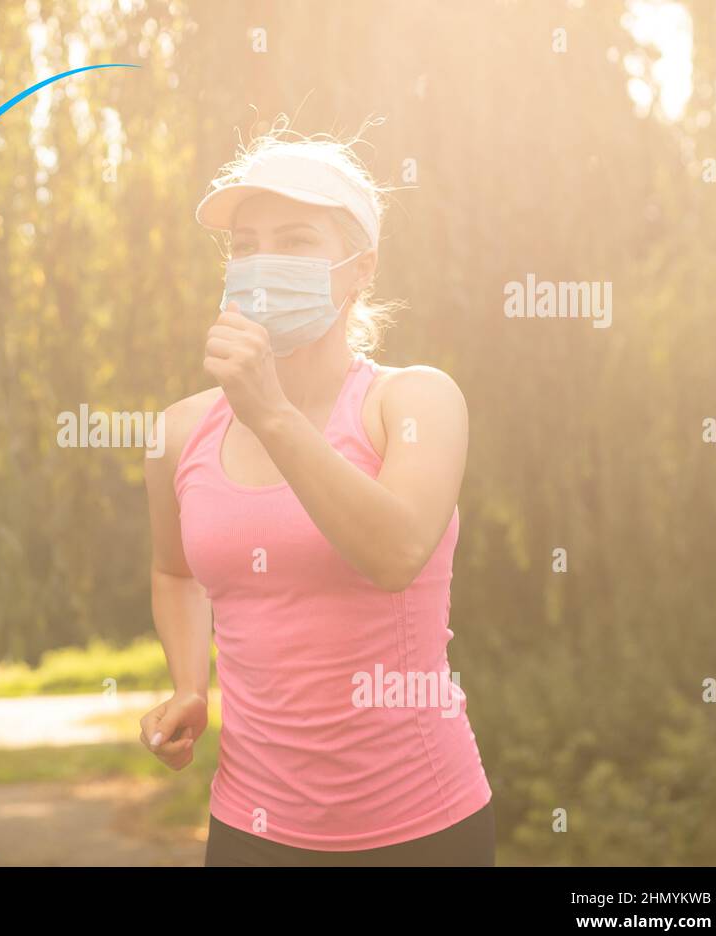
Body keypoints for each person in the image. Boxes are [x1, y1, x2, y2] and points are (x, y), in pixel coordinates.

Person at [140, 123, 495, 866]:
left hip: (422, 828)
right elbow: (175, 571)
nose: (263, 263)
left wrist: (270, 413)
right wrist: (189, 684)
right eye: (245, 245)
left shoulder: (414, 402)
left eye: (297, 241)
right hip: (252, 829)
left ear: (360, 269)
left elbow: (395, 552)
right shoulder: (178, 433)